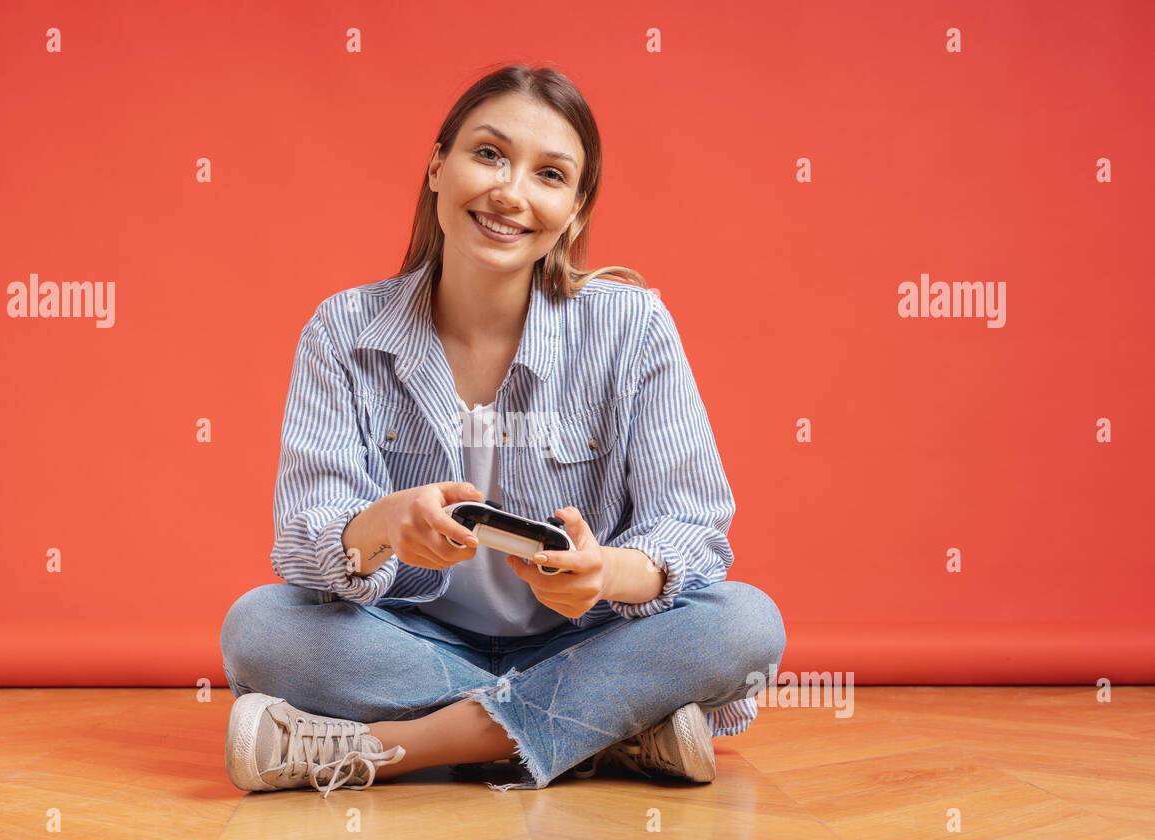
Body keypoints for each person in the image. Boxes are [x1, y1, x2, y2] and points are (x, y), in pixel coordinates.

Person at [219, 63, 786, 798]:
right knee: (259, 628)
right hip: (415, 638)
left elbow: (692, 528)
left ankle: (393, 748)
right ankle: (611, 730)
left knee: (746, 623)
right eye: (488, 153)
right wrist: (384, 523)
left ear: (575, 210)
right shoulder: (343, 330)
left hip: (588, 638)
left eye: (549, 175)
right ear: (436, 165)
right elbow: (306, 538)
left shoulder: (633, 325)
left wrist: (601, 574)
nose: (510, 192)